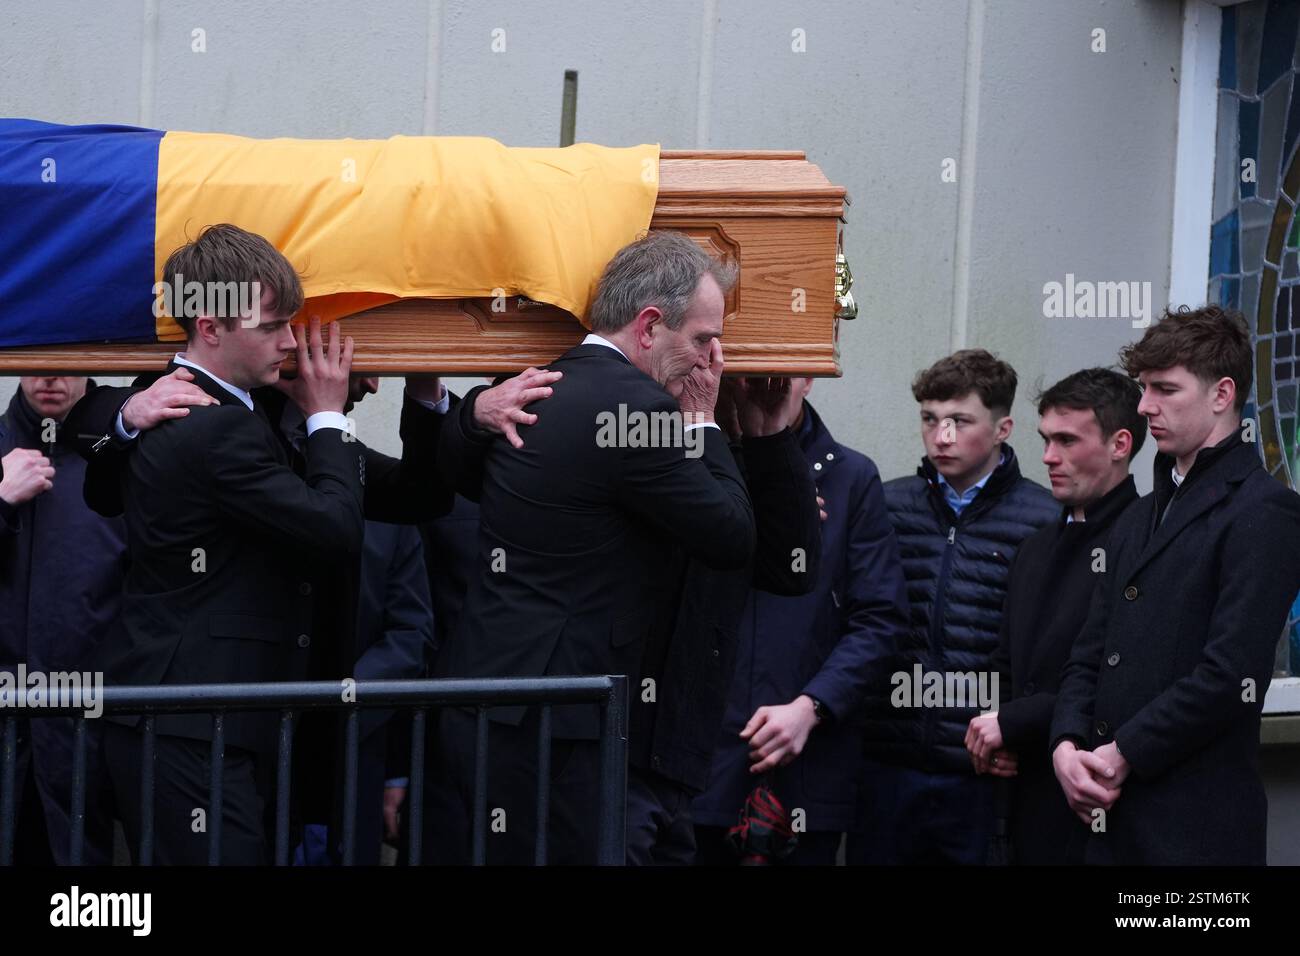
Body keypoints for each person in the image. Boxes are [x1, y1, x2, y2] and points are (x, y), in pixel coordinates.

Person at [430, 230, 756, 864]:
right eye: (702, 339)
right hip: (560, 719)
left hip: (480, 702)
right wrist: (705, 421)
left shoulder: (531, 386)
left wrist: (469, 413)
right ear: (649, 325)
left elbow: (452, 475)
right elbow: (731, 535)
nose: (713, 359)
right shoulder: (641, 411)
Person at [1050, 306, 1300, 865]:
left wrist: (1124, 753)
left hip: (1195, 834)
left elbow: (1229, 673)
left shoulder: (1266, 512)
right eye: (1143, 388)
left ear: (1222, 394)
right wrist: (1065, 746)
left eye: (1165, 389)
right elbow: (1089, 653)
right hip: (1105, 828)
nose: (1144, 407)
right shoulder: (1137, 518)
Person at [850, 349, 1057, 865]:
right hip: (886, 765)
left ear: (1003, 427)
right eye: (930, 419)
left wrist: (1020, 731)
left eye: (960, 421)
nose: (941, 436)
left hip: (981, 774)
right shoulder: (887, 504)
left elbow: (1054, 653)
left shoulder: (1045, 519)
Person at [693, 378, 907, 865]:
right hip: (697, 768)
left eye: (778, 377)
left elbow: (881, 619)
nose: (759, 391)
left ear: (809, 378)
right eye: (745, 377)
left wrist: (812, 707)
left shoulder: (851, 477)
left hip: (806, 770)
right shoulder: (693, 465)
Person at [965, 368, 1143, 864]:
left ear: (1119, 444)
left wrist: (1015, 721)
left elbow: (1120, 676)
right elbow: (1005, 664)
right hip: (1018, 804)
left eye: (1067, 440)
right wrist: (994, 729)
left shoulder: (1148, 543)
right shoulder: (1035, 548)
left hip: (1099, 807)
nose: (1048, 457)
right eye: (1045, 439)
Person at [0, 376, 122, 864]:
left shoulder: (121, 457)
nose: (51, 377)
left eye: (66, 361)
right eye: (39, 360)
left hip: (90, 732)